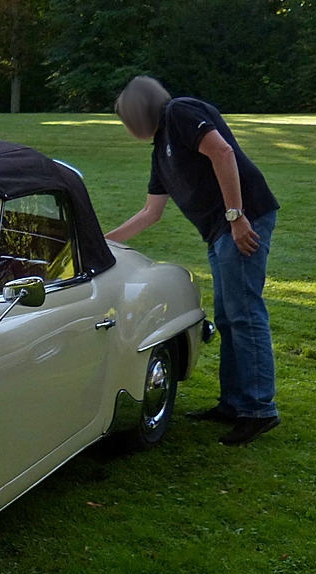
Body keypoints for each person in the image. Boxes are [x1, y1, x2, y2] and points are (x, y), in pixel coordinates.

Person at [106, 76, 280, 446]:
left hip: (242, 222)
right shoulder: (160, 150)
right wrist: (101, 242)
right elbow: (151, 213)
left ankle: (258, 409)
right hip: (221, 231)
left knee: (245, 313)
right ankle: (234, 403)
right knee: (230, 315)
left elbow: (223, 153)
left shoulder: (179, 113)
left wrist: (236, 216)